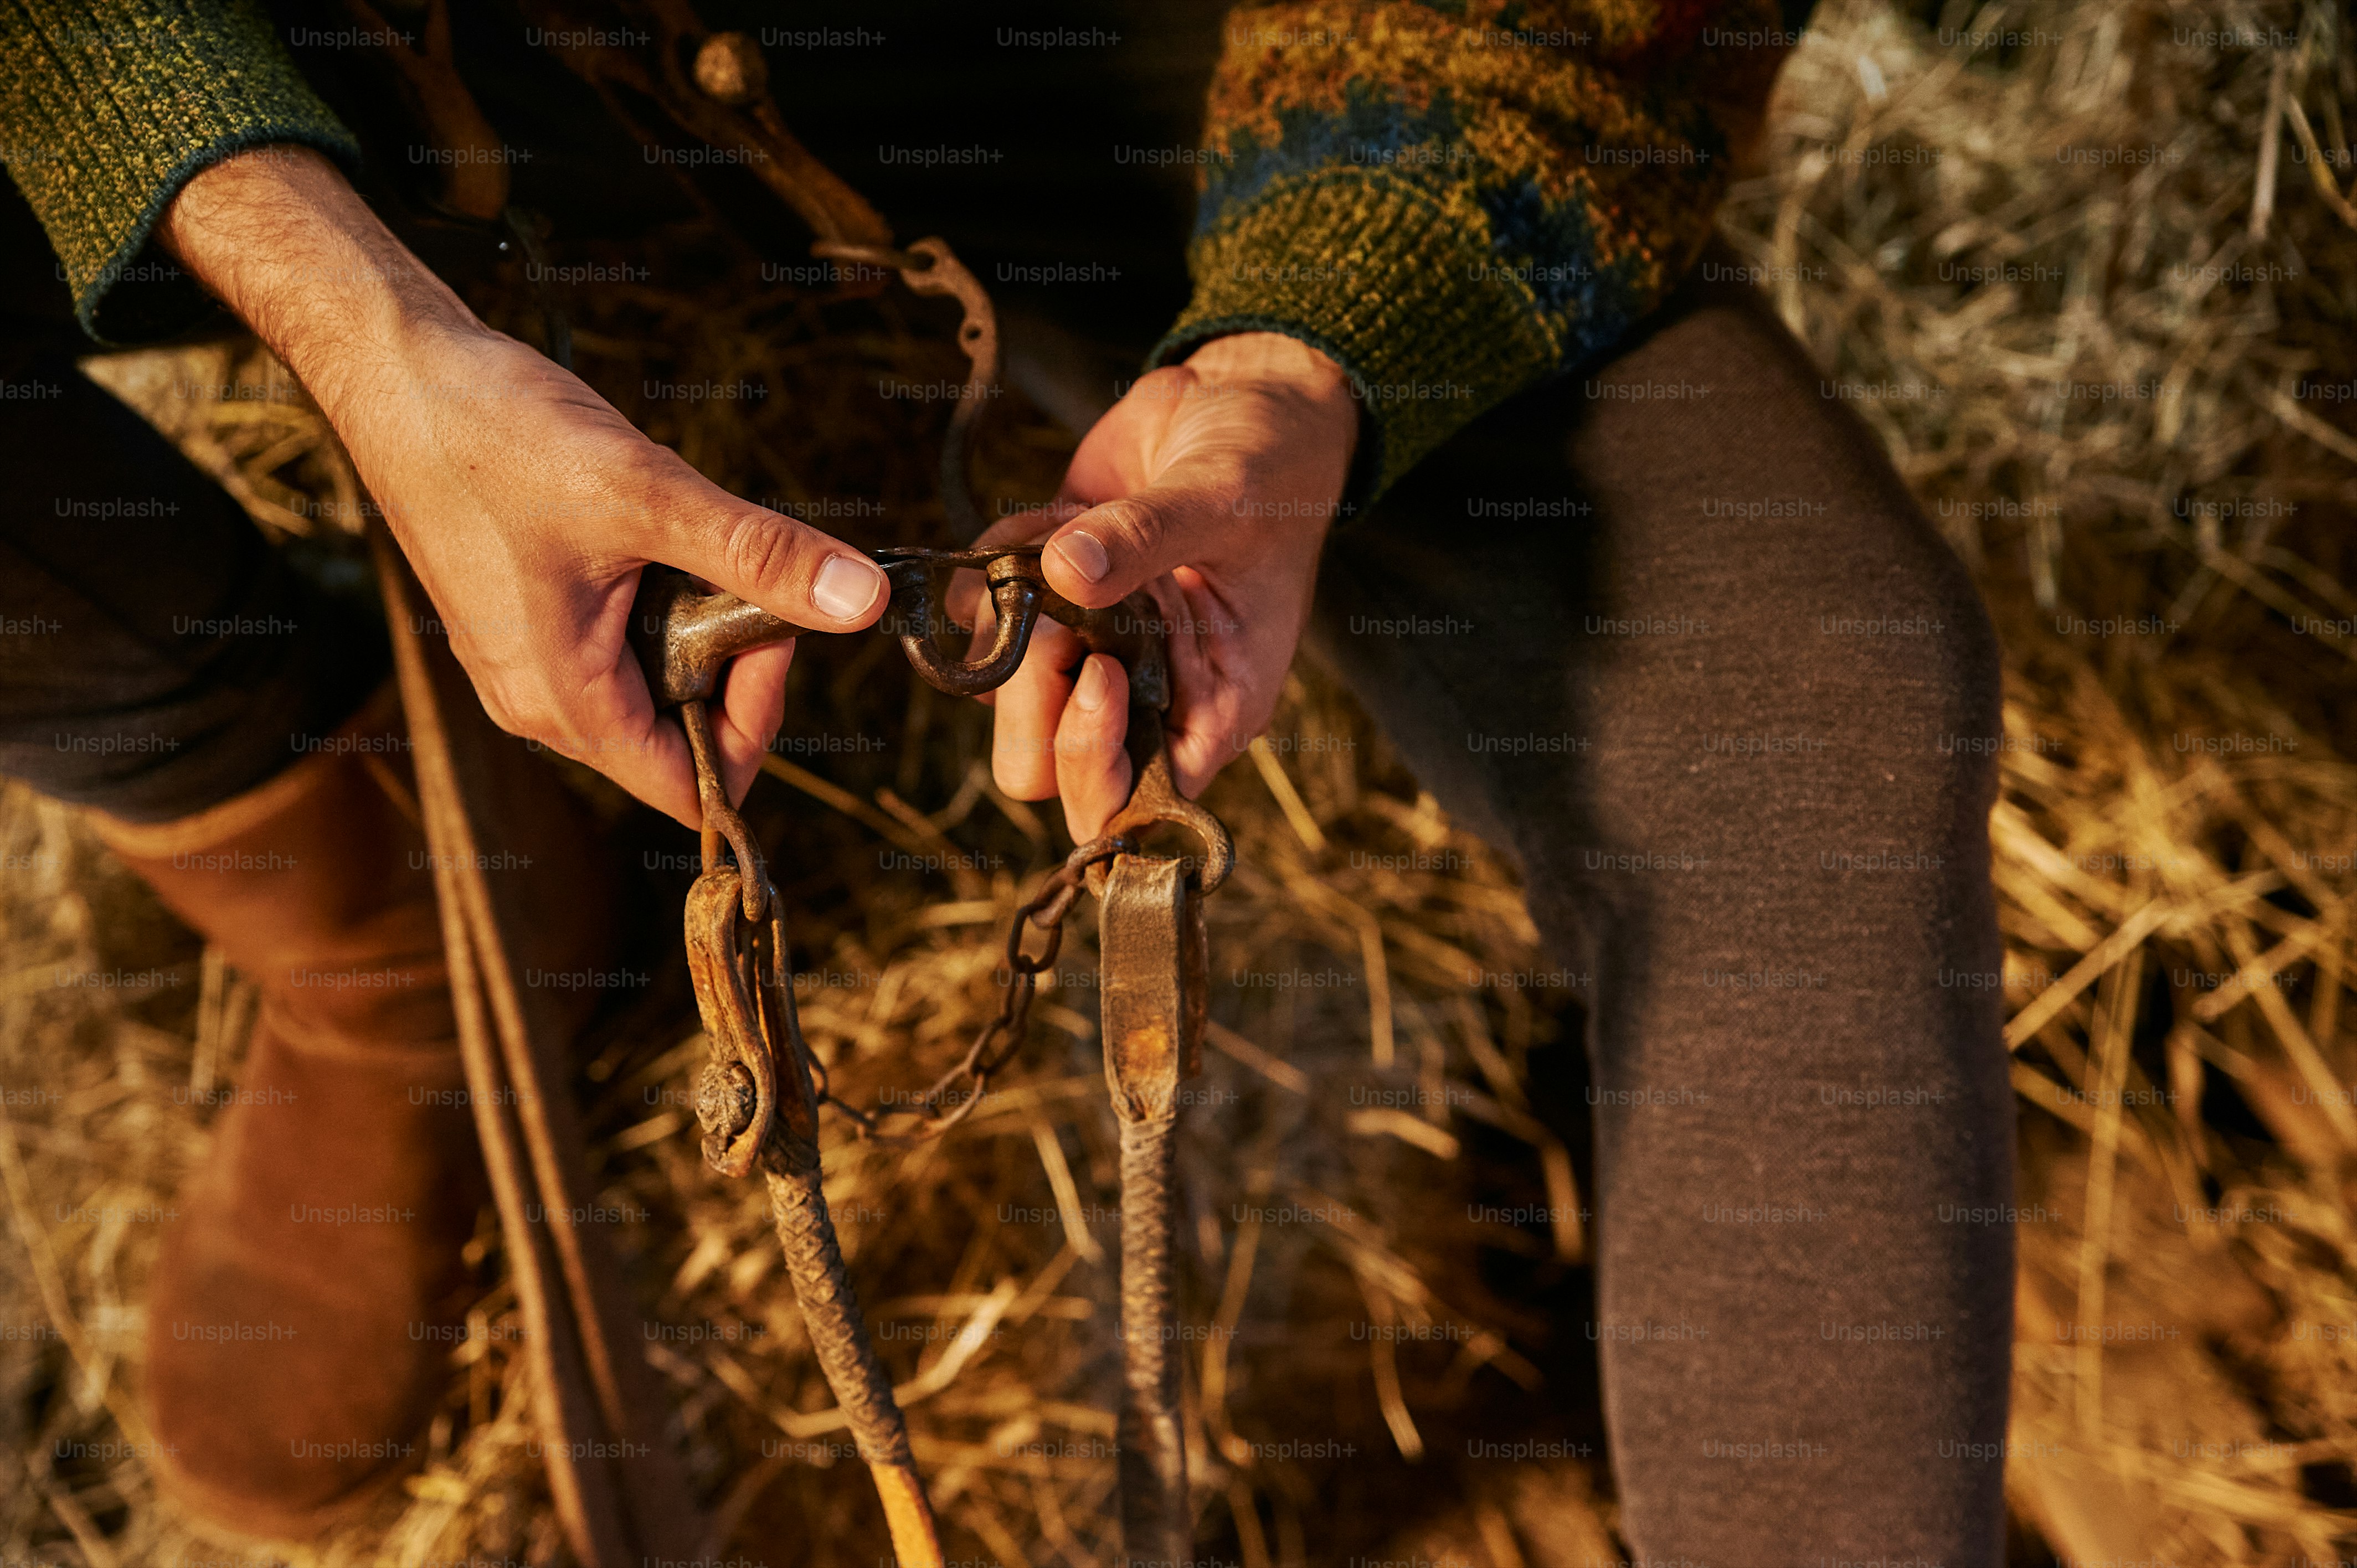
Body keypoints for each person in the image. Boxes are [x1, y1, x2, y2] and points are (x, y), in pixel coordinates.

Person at [0, 1, 2014, 1561]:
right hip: (303, 66)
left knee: (1808, 707)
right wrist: (338, 299)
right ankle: (344, 862)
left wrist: (1313, 346)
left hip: (1096, 64)